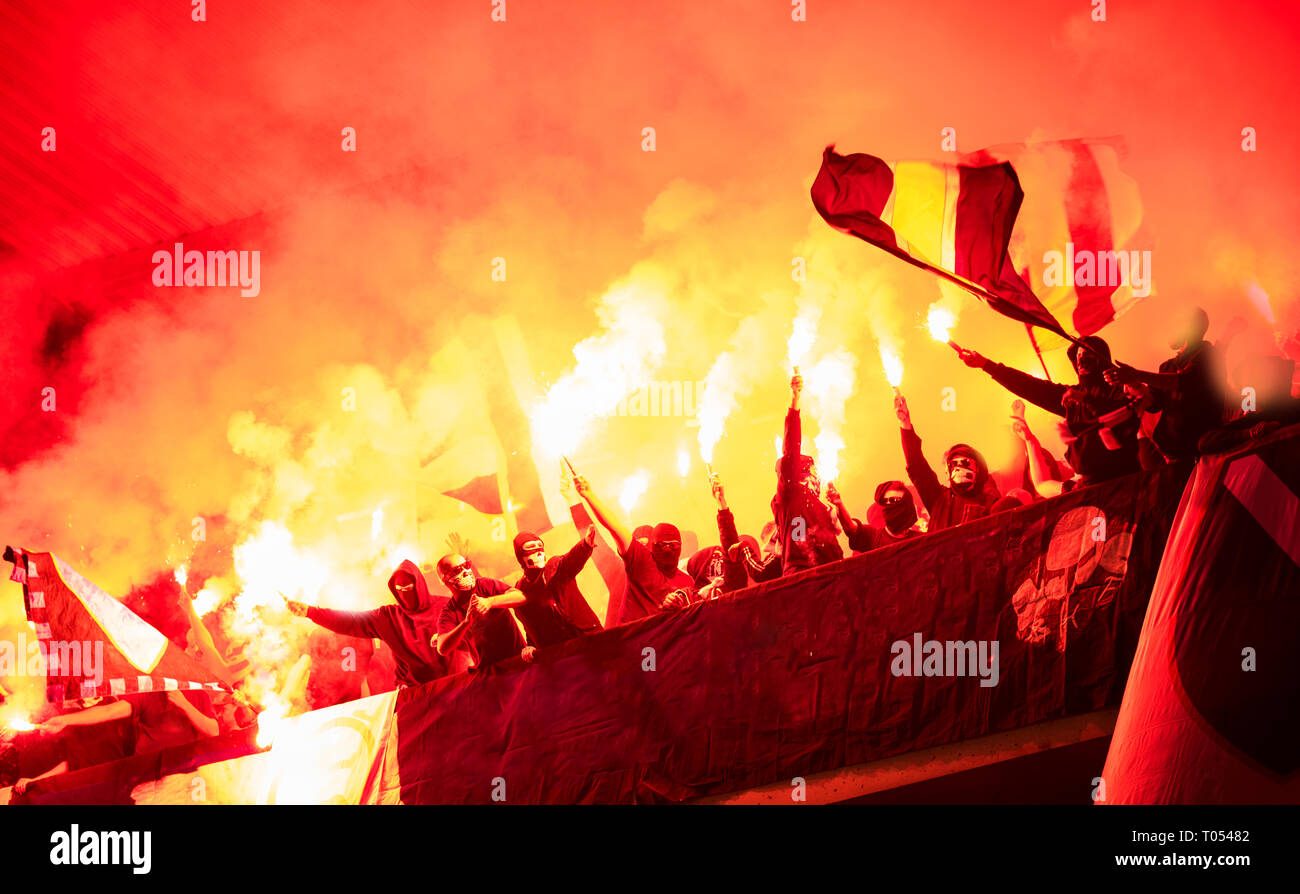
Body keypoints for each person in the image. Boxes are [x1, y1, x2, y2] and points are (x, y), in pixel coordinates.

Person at [955, 335, 1139, 484]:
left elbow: (1120, 414)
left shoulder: (1120, 389)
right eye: (1078, 356)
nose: (1081, 359)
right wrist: (985, 364)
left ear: (1101, 359)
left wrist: (1085, 399)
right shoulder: (1071, 396)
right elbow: (1031, 386)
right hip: (1089, 485)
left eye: (1087, 354)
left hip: (1125, 479)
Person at [286, 560, 450, 689]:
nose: (404, 592)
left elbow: (472, 611)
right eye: (399, 588)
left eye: (408, 587)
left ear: (419, 585)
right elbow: (349, 621)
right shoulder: (388, 616)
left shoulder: (444, 606)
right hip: (412, 691)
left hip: (449, 683)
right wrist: (311, 612)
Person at [1103, 308, 1228, 466]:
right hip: (1176, 458)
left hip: (1207, 455)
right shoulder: (1167, 366)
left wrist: (1136, 374)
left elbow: (1183, 381)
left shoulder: (1209, 355)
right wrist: (1133, 385)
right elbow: (1155, 403)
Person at [572, 474, 695, 623]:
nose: (668, 550)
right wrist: (587, 497)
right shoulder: (637, 564)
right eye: (662, 545)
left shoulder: (687, 581)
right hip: (632, 640)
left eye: (673, 545)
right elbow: (613, 527)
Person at [894, 391, 999, 530]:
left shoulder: (991, 503)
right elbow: (917, 467)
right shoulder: (939, 498)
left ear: (978, 469)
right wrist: (905, 424)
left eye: (965, 463)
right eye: (954, 464)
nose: (959, 468)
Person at [772, 371, 843, 575]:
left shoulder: (824, 508)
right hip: (800, 578)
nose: (815, 478)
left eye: (815, 473)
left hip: (831, 575)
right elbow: (790, 454)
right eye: (809, 473)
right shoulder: (789, 498)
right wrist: (795, 403)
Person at [510, 526, 603, 649]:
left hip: (587, 637)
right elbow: (531, 623)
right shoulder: (521, 588)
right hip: (559, 650)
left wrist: (585, 546)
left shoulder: (554, 566)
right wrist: (532, 646)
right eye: (531, 547)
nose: (538, 551)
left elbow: (570, 560)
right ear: (520, 555)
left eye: (539, 546)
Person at [434, 554, 531, 668]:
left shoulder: (484, 585)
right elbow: (442, 648)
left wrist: (490, 602)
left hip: (518, 659)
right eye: (457, 570)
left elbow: (522, 597)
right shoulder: (449, 611)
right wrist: (466, 623)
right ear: (444, 579)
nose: (466, 571)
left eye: (466, 565)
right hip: (489, 670)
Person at [827, 480, 922, 553]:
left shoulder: (922, 540)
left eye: (893, 500)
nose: (888, 504)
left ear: (905, 504)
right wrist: (839, 504)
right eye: (884, 501)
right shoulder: (873, 537)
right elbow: (851, 529)